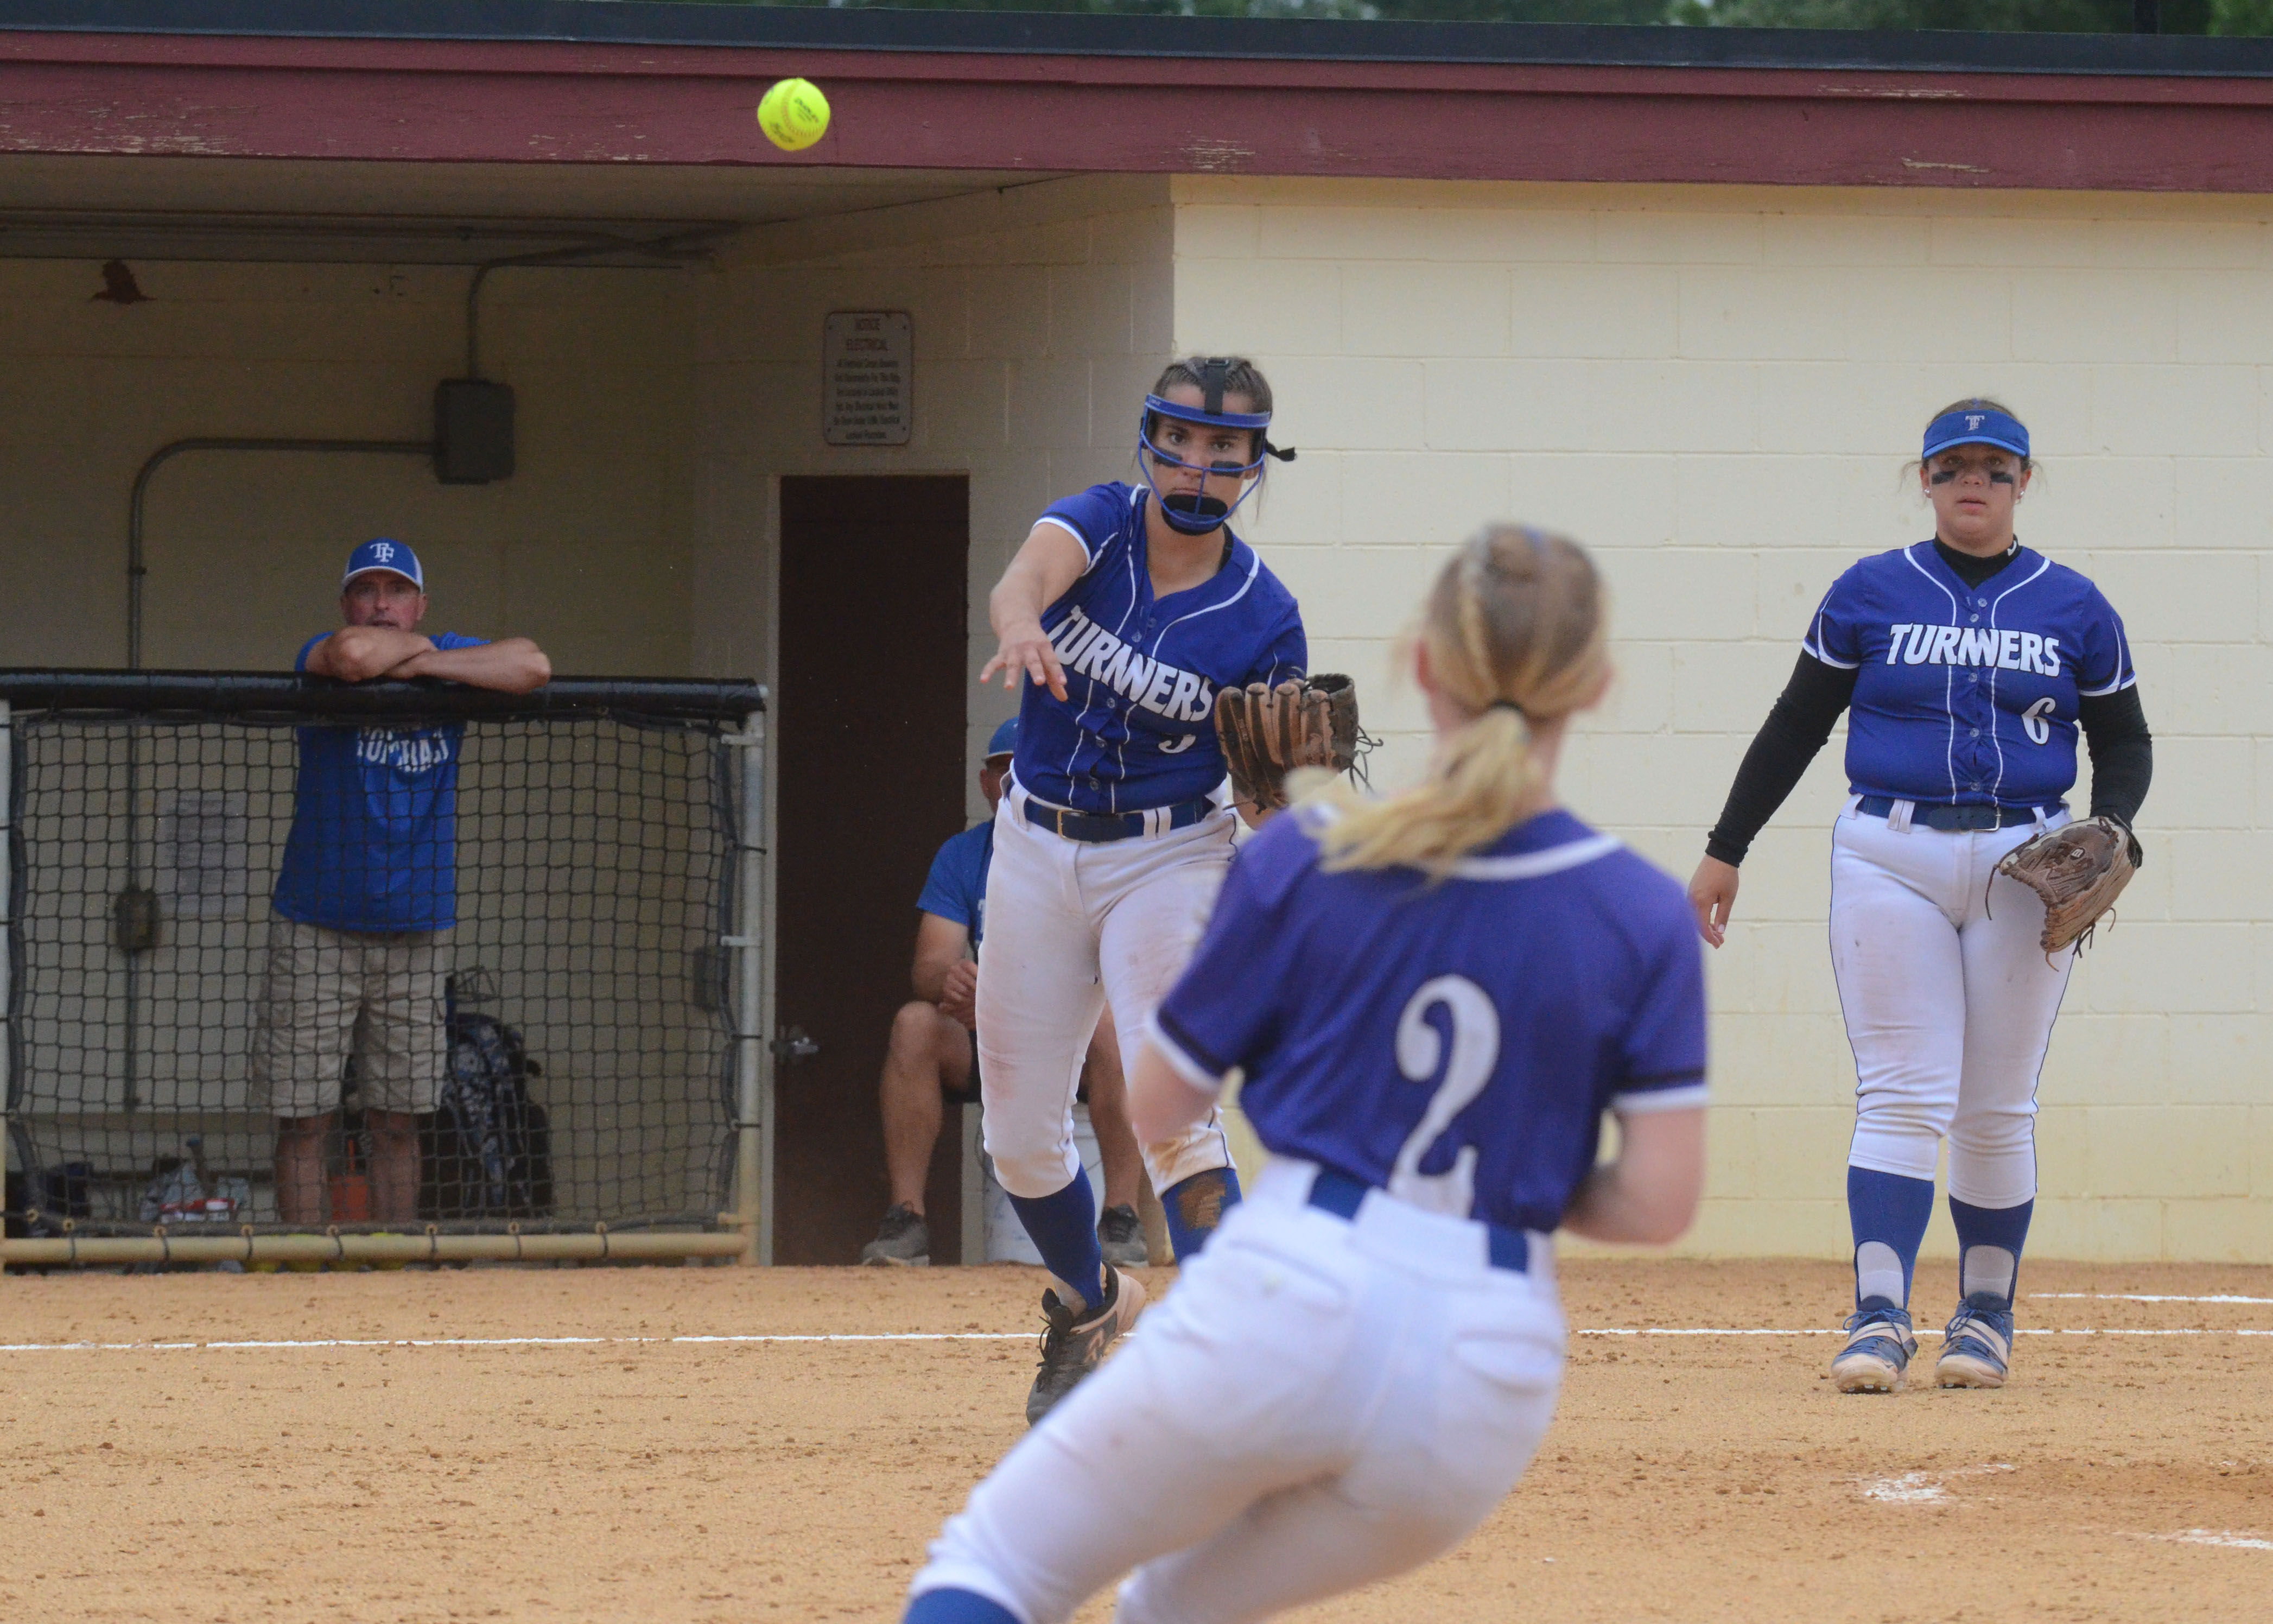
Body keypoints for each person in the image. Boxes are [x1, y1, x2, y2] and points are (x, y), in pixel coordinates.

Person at [903, 525, 1707, 1624]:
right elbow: (1659, 1203)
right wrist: (1500, 1158)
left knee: (993, 1567)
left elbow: (1164, 1103)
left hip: (1298, 1283)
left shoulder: (1304, 853)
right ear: (1600, 685)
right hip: (1490, 1362)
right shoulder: (1645, 909)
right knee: (1170, 1609)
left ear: (1421, 666)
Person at [1688, 398, 2152, 1393]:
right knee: (1902, 1089)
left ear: (2022, 482)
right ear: (1925, 479)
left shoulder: (2072, 605)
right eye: (1951, 468)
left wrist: (2111, 822)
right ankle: (1879, 1313)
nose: (1971, 482)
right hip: (1885, 851)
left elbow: (2124, 740)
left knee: (1993, 1101)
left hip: (2024, 863)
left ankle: (1983, 1313)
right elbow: (1794, 724)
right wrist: (1726, 847)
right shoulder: (1869, 591)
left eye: (1993, 467)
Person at [975, 354, 1310, 1423]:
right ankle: (1090, 1298)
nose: (1200, 464)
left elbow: (1269, 800)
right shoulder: (1102, 524)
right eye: (1185, 436)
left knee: (1170, 1101)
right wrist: (1022, 621)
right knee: (1021, 1139)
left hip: (1169, 853)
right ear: (1151, 435)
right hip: (1034, 842)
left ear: (1256, 466)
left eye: (1228, 449)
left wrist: (1292, 815)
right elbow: (1024, 577)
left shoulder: (1263, 612)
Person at [253, 539, 551, 1225]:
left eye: (396, 590)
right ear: (346, 604)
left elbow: (533, 664)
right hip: (315, 928)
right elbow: (354, 659)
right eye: (367, 589)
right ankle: (304, 1278)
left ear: (420, 605)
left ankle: (392, 1272)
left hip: (418, 932)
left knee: (399, 1119)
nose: (381, 603)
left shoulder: (443, 649)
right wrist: (440, 669)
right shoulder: (323, 653)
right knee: (304, 1120)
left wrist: (426, 660)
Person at [863, 717, 1151, 1268]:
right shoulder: (963, 854)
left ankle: (1121, 1215)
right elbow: (930, 963)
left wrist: (1022, 996)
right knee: (914, 1023)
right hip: (984, 1034)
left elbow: (1126, 962)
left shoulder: (1092, 853)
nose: (1016, 783)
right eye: (1003, 771)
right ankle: (907, 1218)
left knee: (1117, 1025)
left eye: (1028, 771)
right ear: (986, 784)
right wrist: (952, 980)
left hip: (1073, 1030)